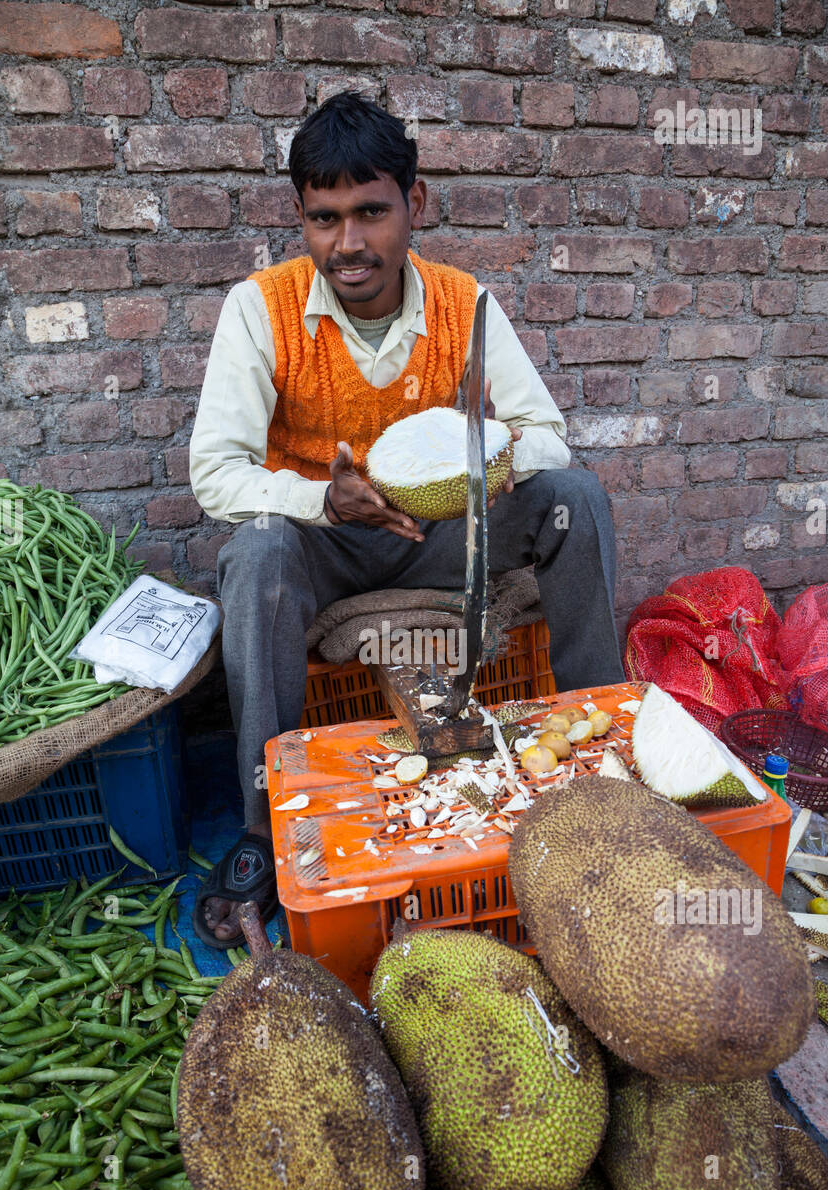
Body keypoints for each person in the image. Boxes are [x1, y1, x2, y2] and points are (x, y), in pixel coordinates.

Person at [188, 91, 624, 947]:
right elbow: (215, 472)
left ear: (414, 204)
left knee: (580, 500)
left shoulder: (466, 303)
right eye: (324, 219)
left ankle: (593, 760)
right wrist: (321, 498)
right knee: (256, 556)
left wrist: (482, 473)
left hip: (442, 538)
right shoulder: (261, 308)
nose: (348, 244)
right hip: (325, 546)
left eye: (371, 212)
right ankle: (263, 821)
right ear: (303, 220)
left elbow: (548, 438)